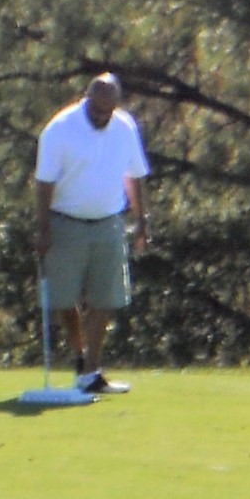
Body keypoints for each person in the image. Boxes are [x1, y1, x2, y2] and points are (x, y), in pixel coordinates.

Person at [32, 66, 151, 390]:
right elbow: (43, 184)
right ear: (87, 99)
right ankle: (80, 352)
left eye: (109, 110)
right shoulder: (60, 129)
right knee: (62, 298)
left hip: (109, 223)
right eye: (98, 109)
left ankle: (91, 371)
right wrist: (42, 229)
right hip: (65, 222)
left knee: (104, 298)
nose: (103, 116)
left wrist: (141, 220)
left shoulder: (125, 127)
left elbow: (134, 175)